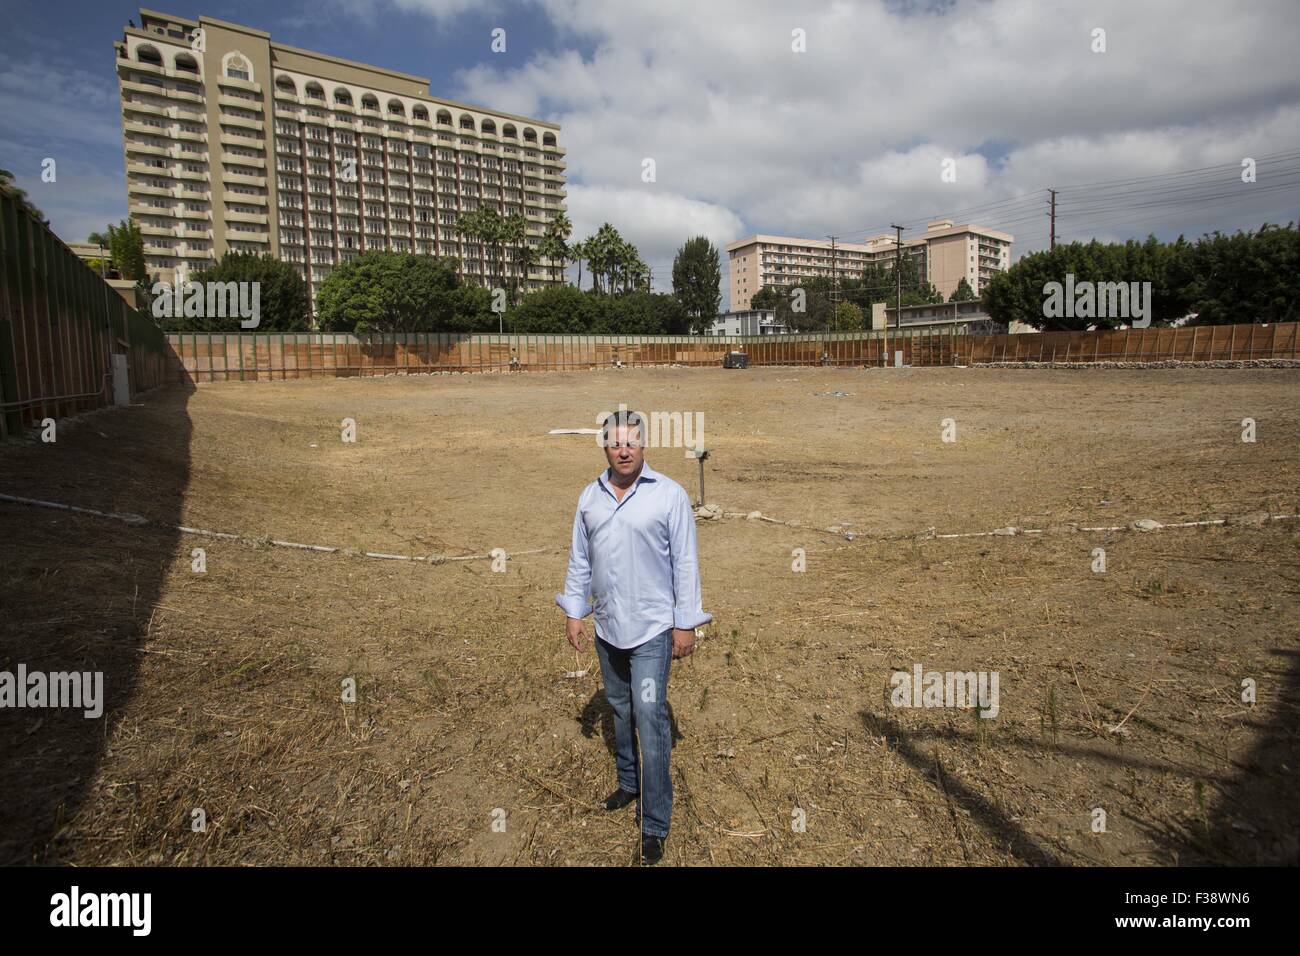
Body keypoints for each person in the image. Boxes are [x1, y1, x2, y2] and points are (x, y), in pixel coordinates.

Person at [555, 409, 712, 865]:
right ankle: (629, 782)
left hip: (653, 627)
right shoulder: (590, 497)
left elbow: (685, 562)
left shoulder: (669, 496)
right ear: (604, 447)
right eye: (615, 443)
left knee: (648, 712)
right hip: (608, 626)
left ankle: (655, 822)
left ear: (645, 445)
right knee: (620, 707)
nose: (624, 450)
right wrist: (574, 611)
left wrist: (686, 622)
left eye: (632, 442)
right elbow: (580, 558)